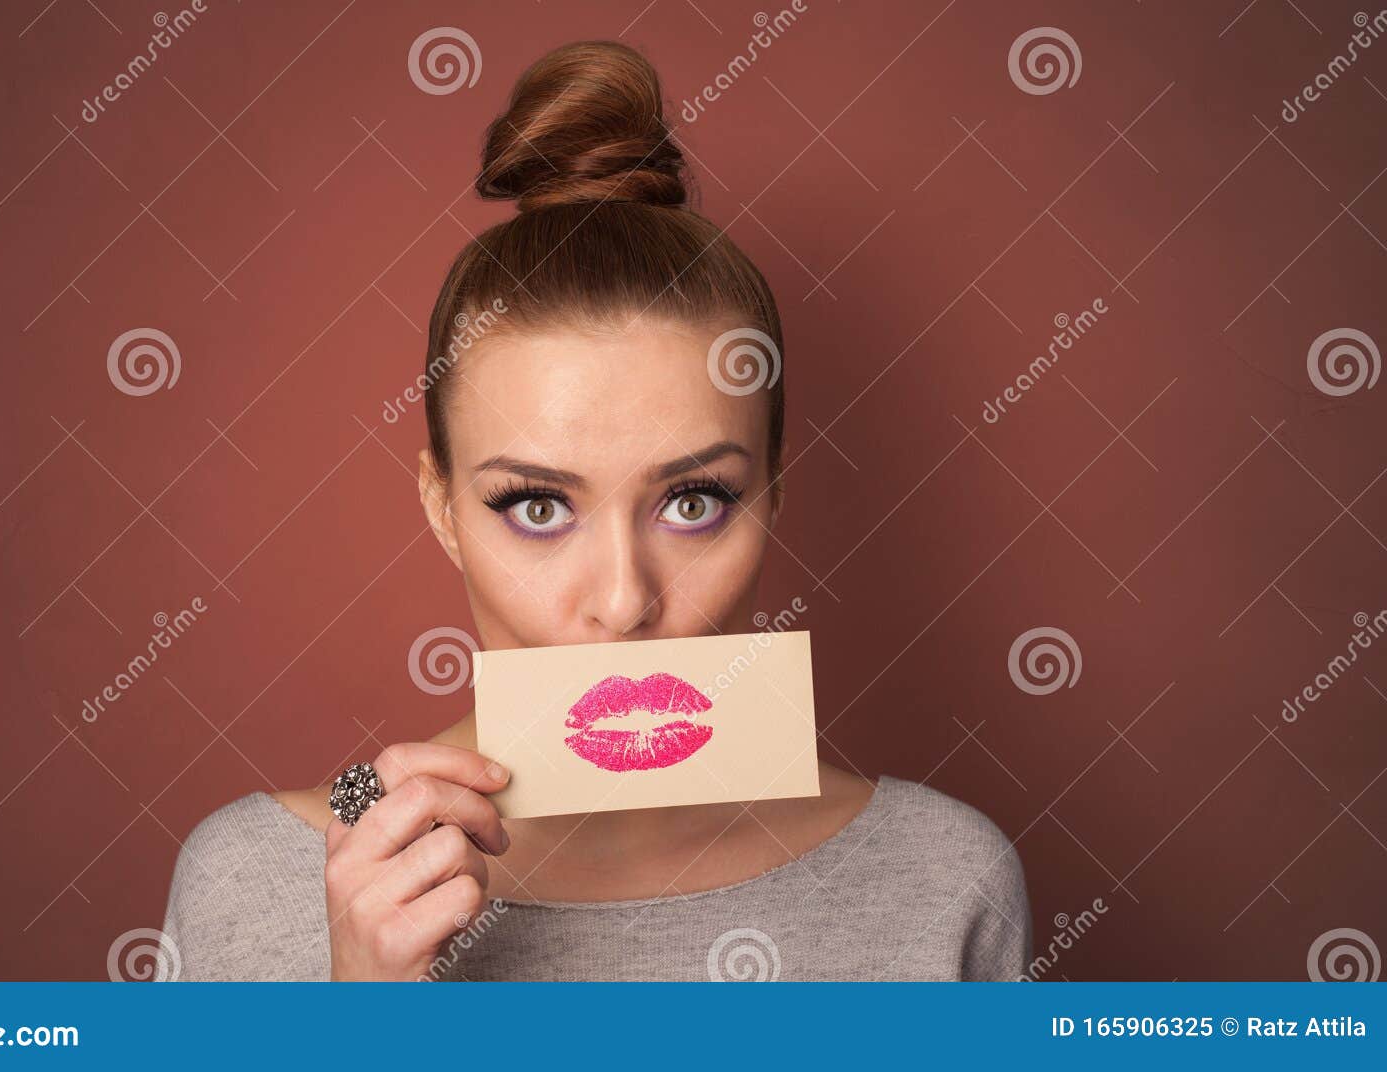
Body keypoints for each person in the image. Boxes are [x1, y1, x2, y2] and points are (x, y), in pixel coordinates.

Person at [158, 40, 1031, 982]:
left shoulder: (945, 883)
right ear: (442, 507)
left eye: (694, 501)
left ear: (773, 498)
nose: (622, 602)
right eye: (536, 506)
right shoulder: (252, 886)